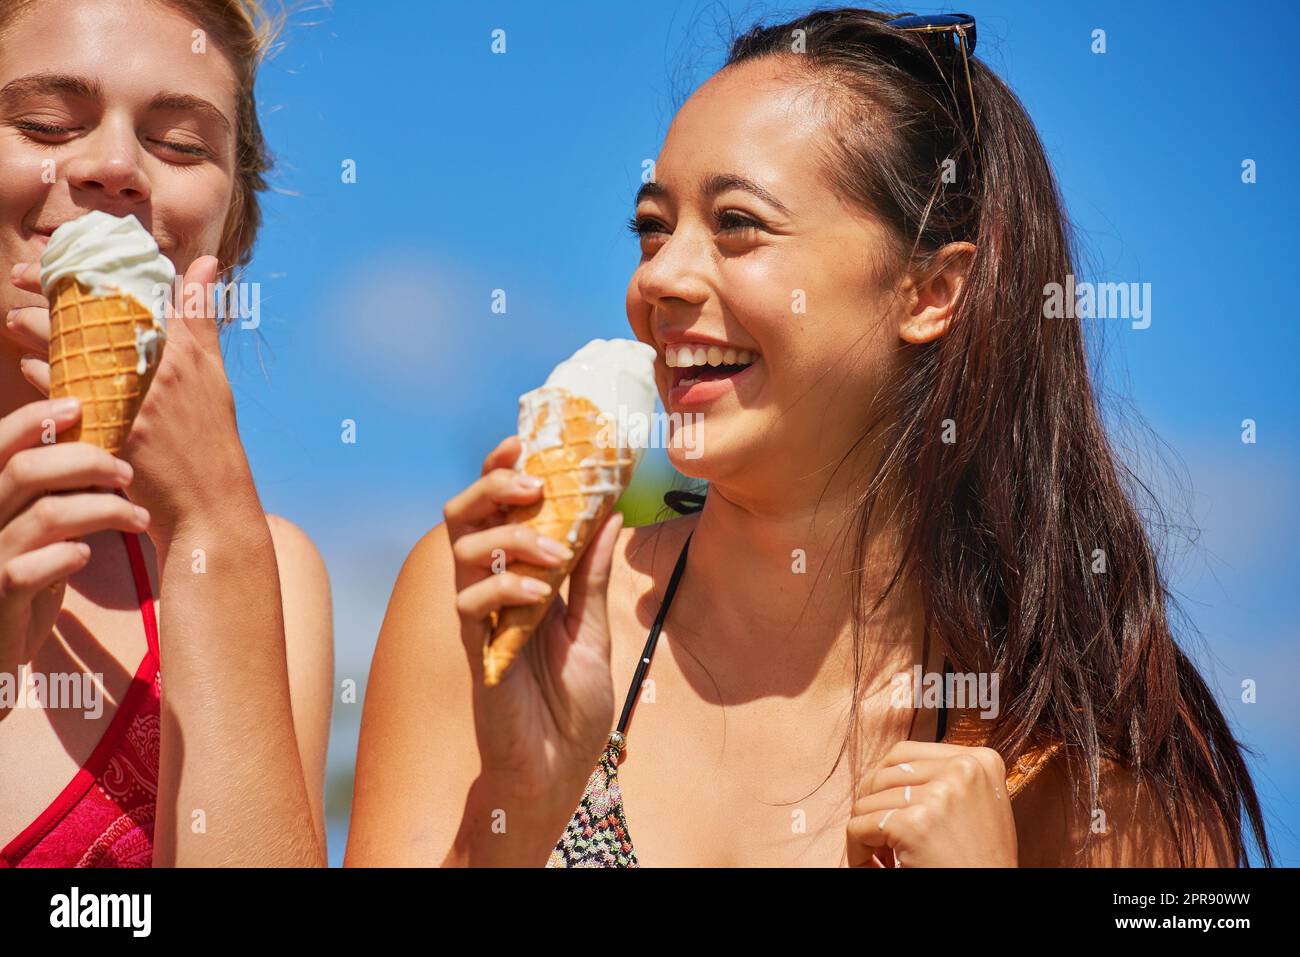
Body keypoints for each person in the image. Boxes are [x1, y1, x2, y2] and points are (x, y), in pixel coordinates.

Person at [347, 7, 1270, 867]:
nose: (658, 279)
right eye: (651, 229)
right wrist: (512, 806)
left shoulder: (1094, 743)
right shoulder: (498, 605)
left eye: (738, 225)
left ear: (931, 292)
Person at [0, 0, 332, 866]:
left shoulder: (270, 570)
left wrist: (215, 523)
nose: (115, 166)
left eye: (181, 144)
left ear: (237, 223)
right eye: (44, 124)